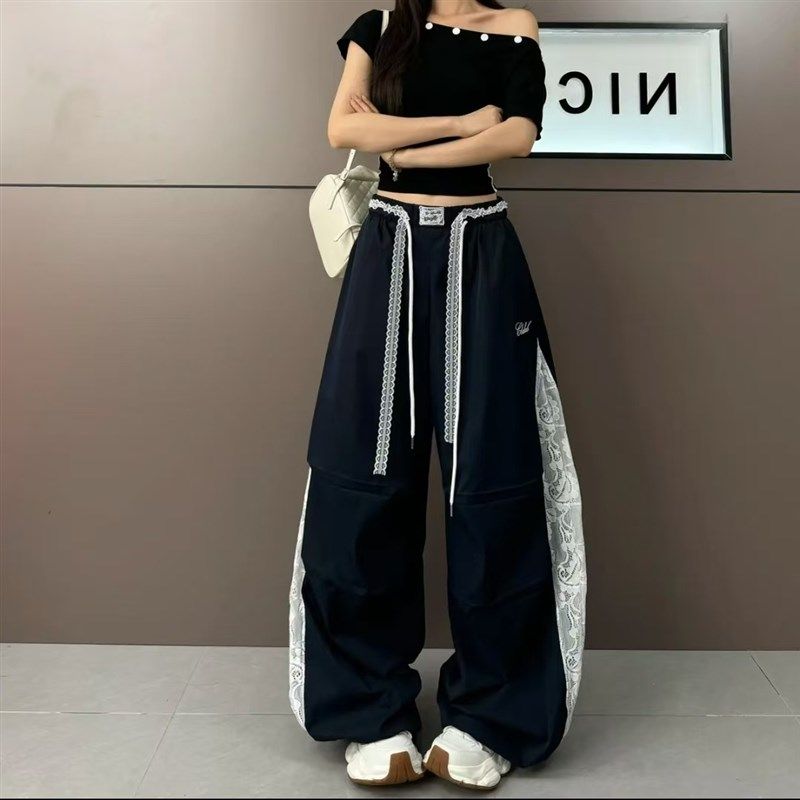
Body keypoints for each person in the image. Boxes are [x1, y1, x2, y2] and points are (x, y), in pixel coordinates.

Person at [289, 0, 586, 789]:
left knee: (494, 483)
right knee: (361, 477)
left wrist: (405, 141)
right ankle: (370, 711)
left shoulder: (513, 24)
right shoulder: (381, 25)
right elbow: (343, 129)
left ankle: (489, 715)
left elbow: (517, 135)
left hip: (481, 256)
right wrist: (459, 124)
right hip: (386, 252)